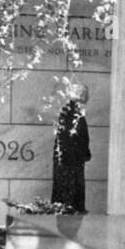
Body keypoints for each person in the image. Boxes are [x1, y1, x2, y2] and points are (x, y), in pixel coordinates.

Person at [51, 84, 90, 213]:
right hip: (71, 164)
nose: (88, 96)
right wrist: (83, 153)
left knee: (70, 200)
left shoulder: (71, 112)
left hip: (70, 162)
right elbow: (72, 139)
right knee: (71, 201)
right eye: (85, 93)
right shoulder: (72, 113)